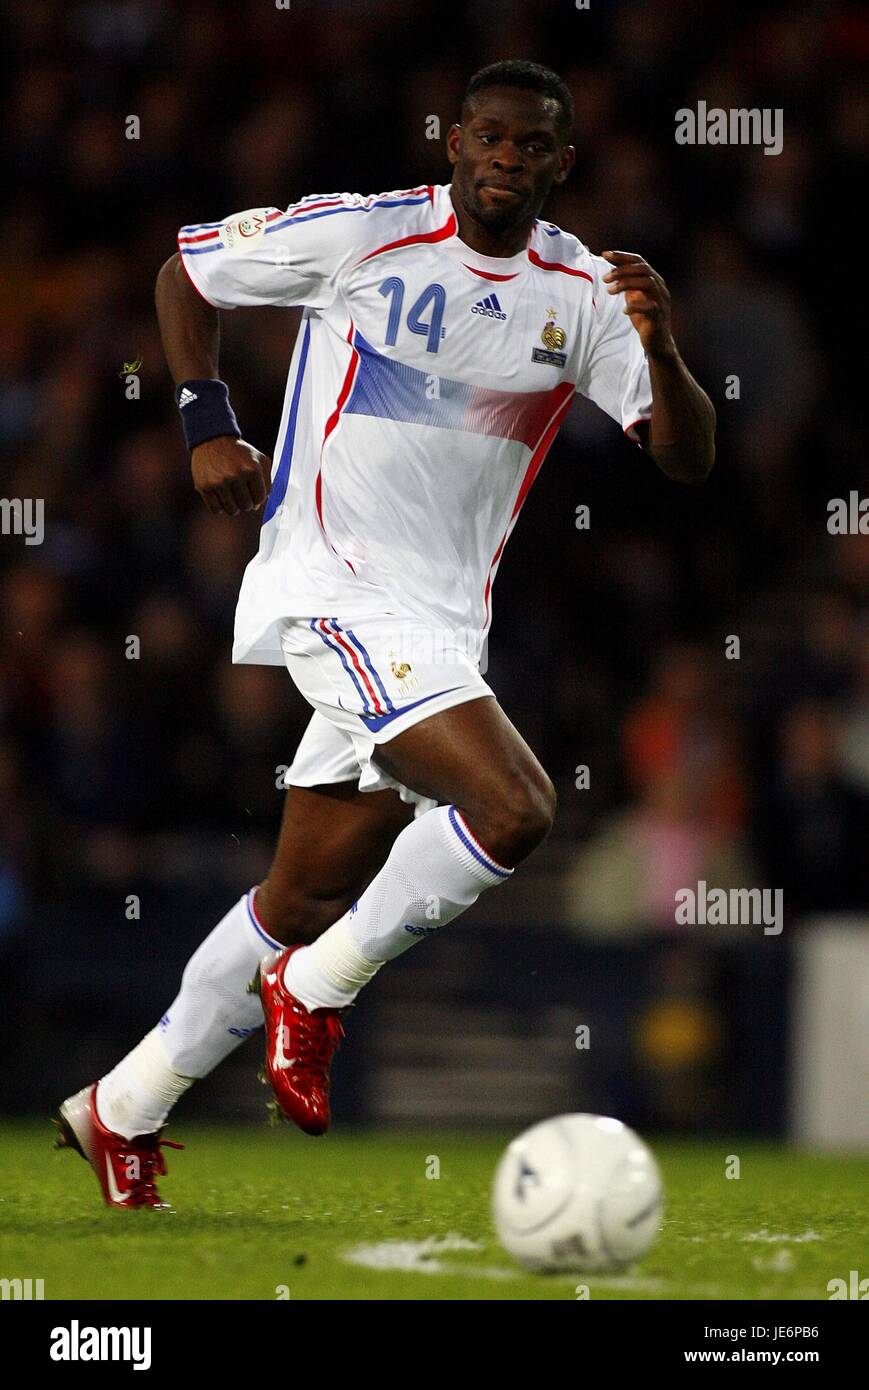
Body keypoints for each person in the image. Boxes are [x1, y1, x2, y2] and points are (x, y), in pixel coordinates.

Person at [55, 60, 715, 1207]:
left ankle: (120, 1108)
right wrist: (204, 418)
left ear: (561, 163)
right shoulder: (362, 235)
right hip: (330, 584)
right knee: (513, 807)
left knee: (296, 898)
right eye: (491, 138)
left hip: (440, 625)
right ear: (454, 141)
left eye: (534, 146)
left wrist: (660, 344)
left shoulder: (586, 292)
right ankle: (314, 993)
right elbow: (184, 274)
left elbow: (684, 456)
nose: (508, 159)